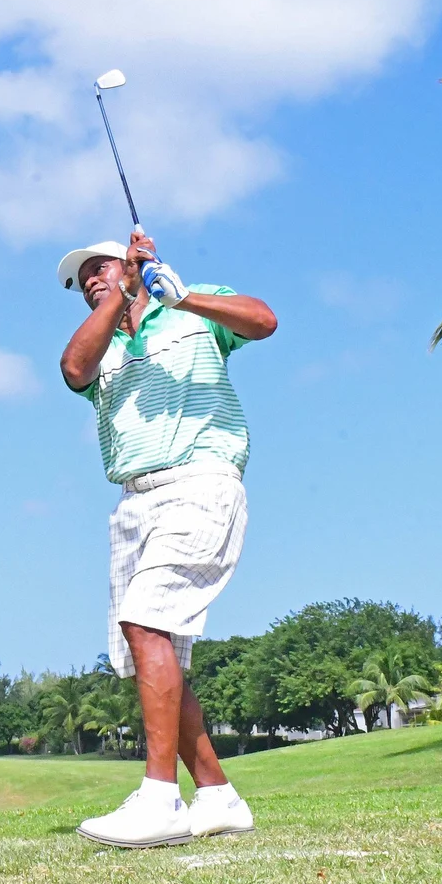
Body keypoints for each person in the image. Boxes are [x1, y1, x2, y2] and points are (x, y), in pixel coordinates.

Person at [58, 231, 276, 848]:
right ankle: (218, 795)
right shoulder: (99, 347)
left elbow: (263, 321)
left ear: (134, 263)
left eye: (102, 268)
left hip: (202, 480)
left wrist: (181, 300)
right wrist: (117, 294)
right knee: (152, 662)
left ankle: (160, 799)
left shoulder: (192, 308)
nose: (92, 280)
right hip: (133, 504)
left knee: (145, 620)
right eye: (84, 280)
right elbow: (73, 369)